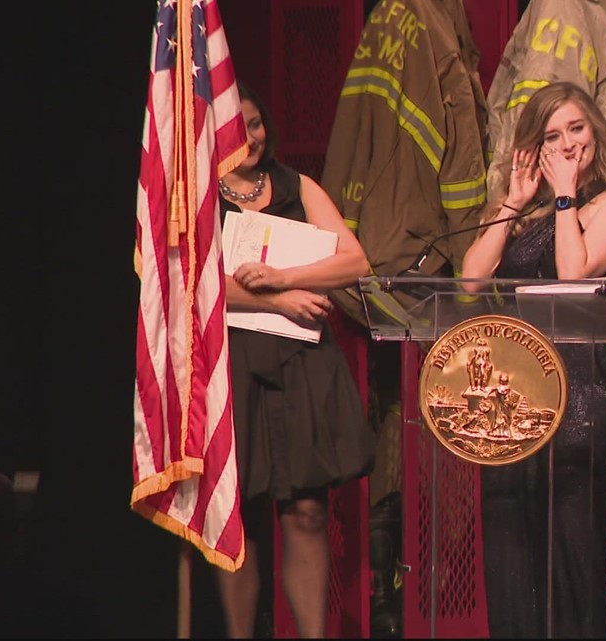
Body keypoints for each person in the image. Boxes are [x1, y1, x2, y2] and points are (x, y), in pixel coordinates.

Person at [461, 81, 606, 638]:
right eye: (552, 136)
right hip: (510, 400)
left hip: (576, 400)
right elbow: (471, 281)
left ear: (595, 131)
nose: (567, 143)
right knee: (513, 558)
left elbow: (572, 276)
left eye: (576, 129)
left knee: (570, 560)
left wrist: (566, 195)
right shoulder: (530, 214)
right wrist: (514, 203)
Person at [216, 82, 375, 639]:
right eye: (240, 127)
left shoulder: (296, 186)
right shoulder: (200, 200)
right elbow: (194, 285)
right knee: (245, 521)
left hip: (302, 363)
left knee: (306, 511)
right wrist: (274, 299)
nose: (251, 137)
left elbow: (353, 260)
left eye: (256, 124)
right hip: (234, 366)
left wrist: (287, 278)